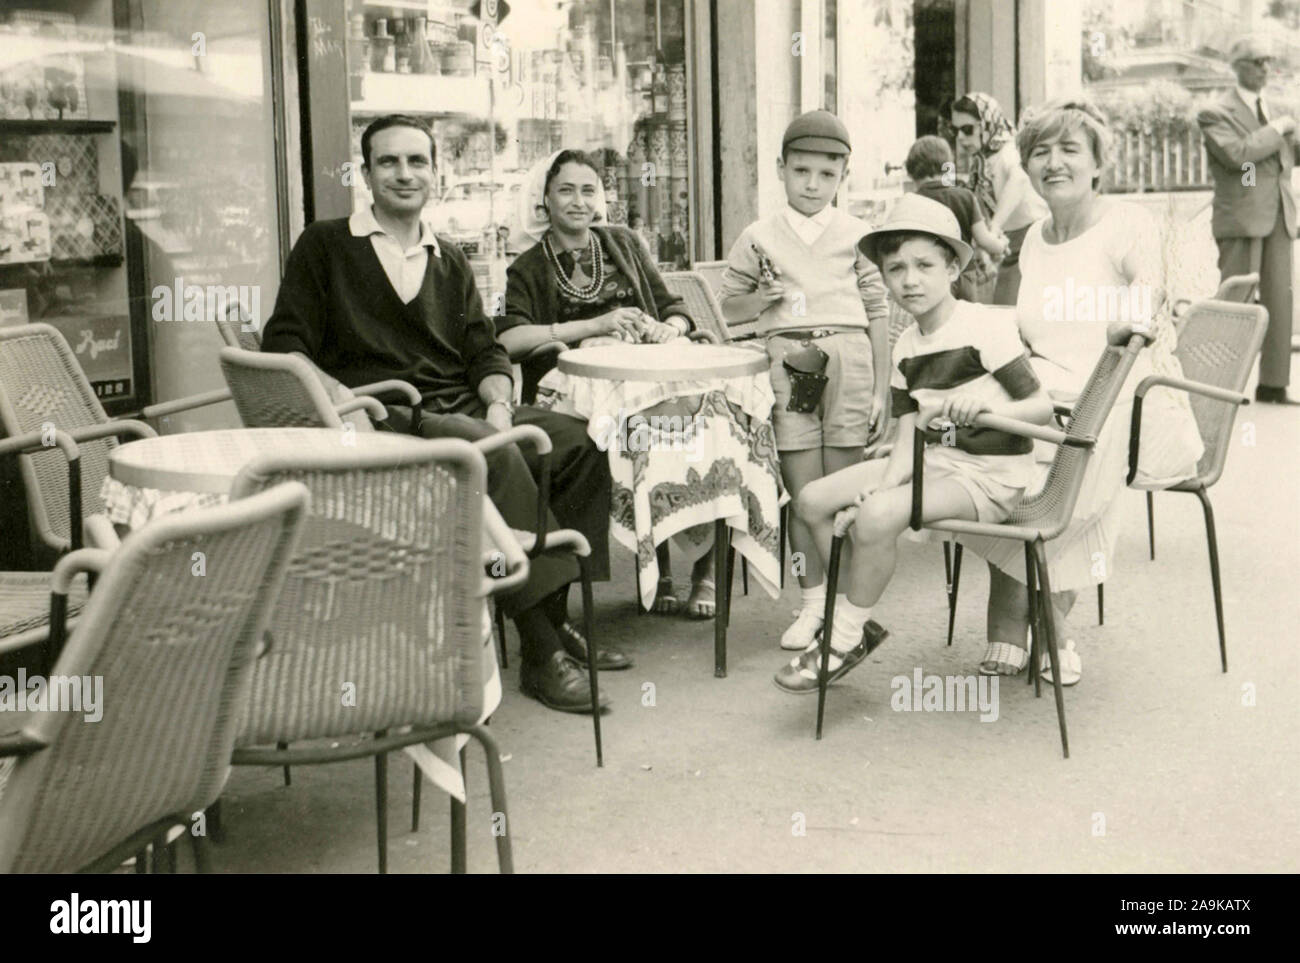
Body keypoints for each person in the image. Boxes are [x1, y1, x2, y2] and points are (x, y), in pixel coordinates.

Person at [261, 114, 628, 715]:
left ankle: (556, 617)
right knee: (495, 455)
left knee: (582, 442)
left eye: (417, 162)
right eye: (389, 162)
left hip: (458, 403)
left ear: (436, 174)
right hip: (385, 417)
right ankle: (540, 652)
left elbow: (484, 348)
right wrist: (341, 401)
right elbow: (284, 345)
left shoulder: (449, 258)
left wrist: (501, 401)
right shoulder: (325, 246)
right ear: (365, 174)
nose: (404, 174)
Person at [960, 98, 1204, 685]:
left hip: (1114, 392)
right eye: (1040, 152)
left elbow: (1151, 295)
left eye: (1070, 150)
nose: (1053, 162)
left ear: (1099, 163)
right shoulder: (1036, 238)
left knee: (1052, 466)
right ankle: (1030, 618)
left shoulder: (1126, 224)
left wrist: (1132, 322)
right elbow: (1024, 330)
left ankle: (1042, 624)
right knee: (977, 454)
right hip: (1048, 392)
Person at [773, 194, 1052, 692]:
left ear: (951, 268)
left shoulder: (983, 327)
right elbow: (906, 442)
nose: (910, 280)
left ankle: (842, 638)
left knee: (877, 518)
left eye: (924, 265)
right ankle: (848, 616)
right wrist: (882, 486)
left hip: (989, 478)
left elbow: (1041, 408)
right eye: (895, 268)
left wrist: (989, 412)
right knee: (812, 500)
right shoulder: (906, 346)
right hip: (936, 463)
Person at [498, 149, 719, 618]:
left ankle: (706, 570)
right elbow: (512, 340)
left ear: (600, 199)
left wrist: (669, 329)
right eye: (565, 190)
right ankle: (655, 566)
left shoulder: (622, 243)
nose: (577, 202)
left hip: (649, 378)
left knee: (710, 426)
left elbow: (674, 308)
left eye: (588, 190)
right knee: (640, 435)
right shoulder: (529, 267)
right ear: (545, 201)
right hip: (582, 395)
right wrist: (594, 326)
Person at [718, 109, 892, 652]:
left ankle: (843, 610)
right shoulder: (759, 235)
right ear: (780, 169)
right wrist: (762, 299)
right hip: (793, 359)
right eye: (801, 172)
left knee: (842, 494)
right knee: (802, 493)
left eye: (826, 173)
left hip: (852, 359)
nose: (813, 184)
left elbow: (879, 309)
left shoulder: (861, 235)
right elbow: (728, 307)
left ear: (844, 175)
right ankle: (811, 602)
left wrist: (884, 388)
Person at [1198, 37, 1299, 405]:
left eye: (1268, 61)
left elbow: (1282, 157)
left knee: (1280, 301)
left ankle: (1274, 385)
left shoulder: (1273, 109)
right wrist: (1278, 129)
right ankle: (1223, 387)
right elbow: (1240, 158)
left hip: (1278, 215)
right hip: (1241, 217)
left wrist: (1286, 131)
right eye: (1257, 61)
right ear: (1236, 64)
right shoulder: (1216, 111)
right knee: (1238, 301)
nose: (1265, 69)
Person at [951, 92, 1050, 306]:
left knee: (1009, 311)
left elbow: (1020, 179)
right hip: (1012, 243)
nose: (960, 137)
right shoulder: (981, 160)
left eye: (967, 129)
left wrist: (994, 227)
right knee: (1004, 310)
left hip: (1033, 237)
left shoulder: (1009, 150)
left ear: (987, 123)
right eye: (956, 130)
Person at [904, 134, 1009, 301]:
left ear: (911, 172)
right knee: (967, 322)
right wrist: (1002, 245)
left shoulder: (911, 202)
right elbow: (984, 240)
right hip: (964, 275)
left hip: (929, 276)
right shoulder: (965, 197)